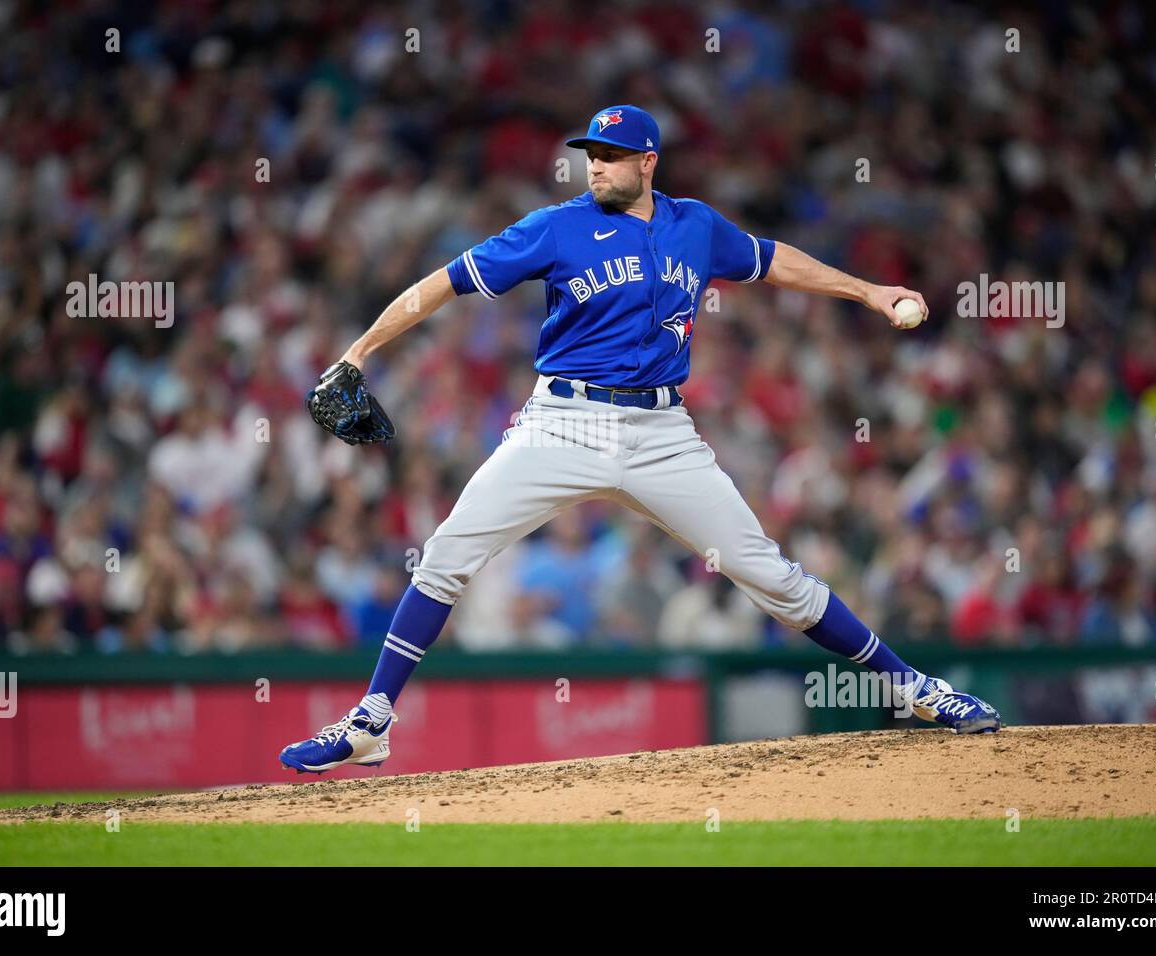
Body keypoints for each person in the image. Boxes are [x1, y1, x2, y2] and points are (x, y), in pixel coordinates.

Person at [279, 105, 1000, 773]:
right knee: (446, 555)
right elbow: (443, 282)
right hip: (562, 421)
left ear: (648, 161)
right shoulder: (554, 227)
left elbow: (773, 258)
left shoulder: (697, 226)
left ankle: (915, 690)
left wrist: (870, 292)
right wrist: (361, 350)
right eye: (591, 153)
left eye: (612, 155)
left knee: (773, 577)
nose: (596, 165)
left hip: (661, 431)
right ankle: (373, 717)